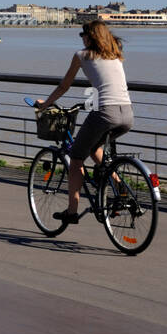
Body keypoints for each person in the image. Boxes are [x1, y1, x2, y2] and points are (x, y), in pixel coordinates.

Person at [35, 19, 135, 224]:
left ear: (91, 36)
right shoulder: (116, 55)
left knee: (75, 159)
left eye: (83, 34)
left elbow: (64, 86)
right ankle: (119, 186)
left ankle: (72, 211)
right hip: (127, 114)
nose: (81, 38)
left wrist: (45, 104)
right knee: (93, 148)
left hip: (105, 113)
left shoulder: (82, 55)